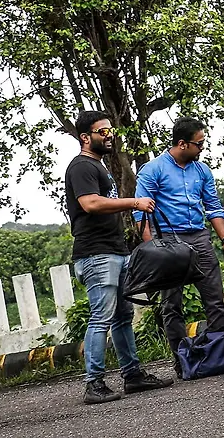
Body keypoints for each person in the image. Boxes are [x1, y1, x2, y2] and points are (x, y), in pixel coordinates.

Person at [64, 110, 174, 404]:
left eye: (111, 131)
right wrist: (134, 202)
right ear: (85, 138)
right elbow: (90, 203)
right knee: (101, 317)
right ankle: (94, 383)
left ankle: (132, 375)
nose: (109, 135)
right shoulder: (81, 167)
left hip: (114, 250)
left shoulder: (99, 166)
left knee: (123, 316)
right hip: (97, 253)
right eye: (103, 132)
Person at [133, 117, 224, 377]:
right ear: (182, 144)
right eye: (199, 143)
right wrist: (154, 251)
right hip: (169, 242)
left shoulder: (201, 171)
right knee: (172, 305)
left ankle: (220, 355)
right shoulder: (153, 170)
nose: (202, 148)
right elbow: (140, 216)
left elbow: (213, 206)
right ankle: (182, 360)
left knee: (214, 298)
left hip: (199, 238)